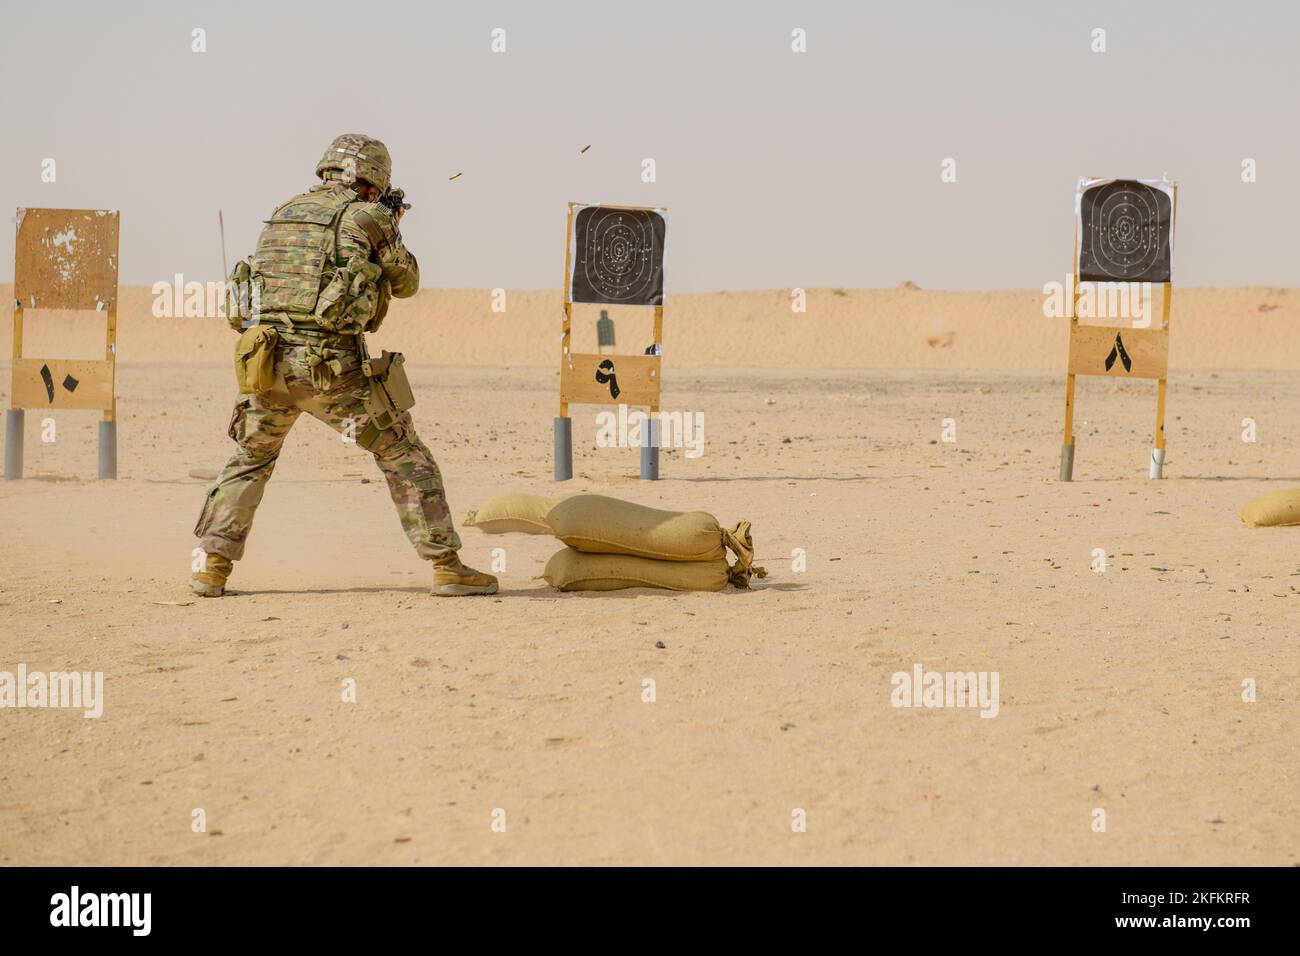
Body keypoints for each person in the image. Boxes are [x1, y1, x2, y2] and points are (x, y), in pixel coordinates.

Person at [191, 133, 497, 597]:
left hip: (265, 364)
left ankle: (212, 568)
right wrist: (390, 227)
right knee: (404, 455)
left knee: (250, 459)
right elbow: (407, 281)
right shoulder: (369, 215)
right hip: (330, 370)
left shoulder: (285, 211)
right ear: (373, 182)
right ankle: (446, 565)